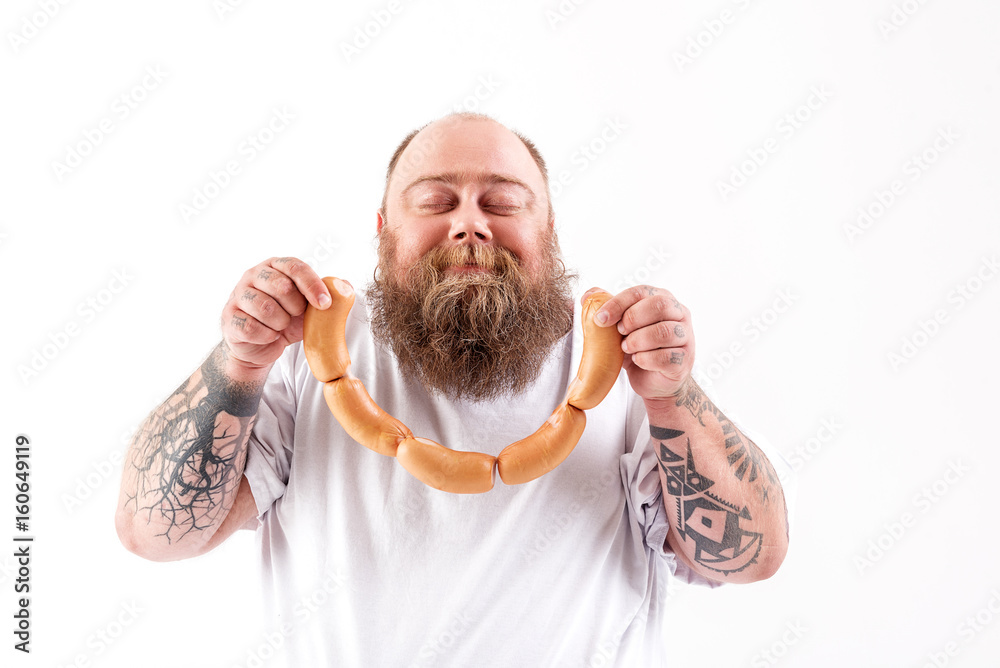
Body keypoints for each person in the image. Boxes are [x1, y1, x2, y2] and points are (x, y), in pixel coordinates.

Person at [116, 112, 792, 667]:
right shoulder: (304, 358)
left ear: (547, 231)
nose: (470, 223)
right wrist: (239, 363)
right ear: (384, 231)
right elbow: (154, 533)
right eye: (435, 201)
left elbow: (750, 557)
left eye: (502, 201)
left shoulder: (617, 364)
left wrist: (673, 394)